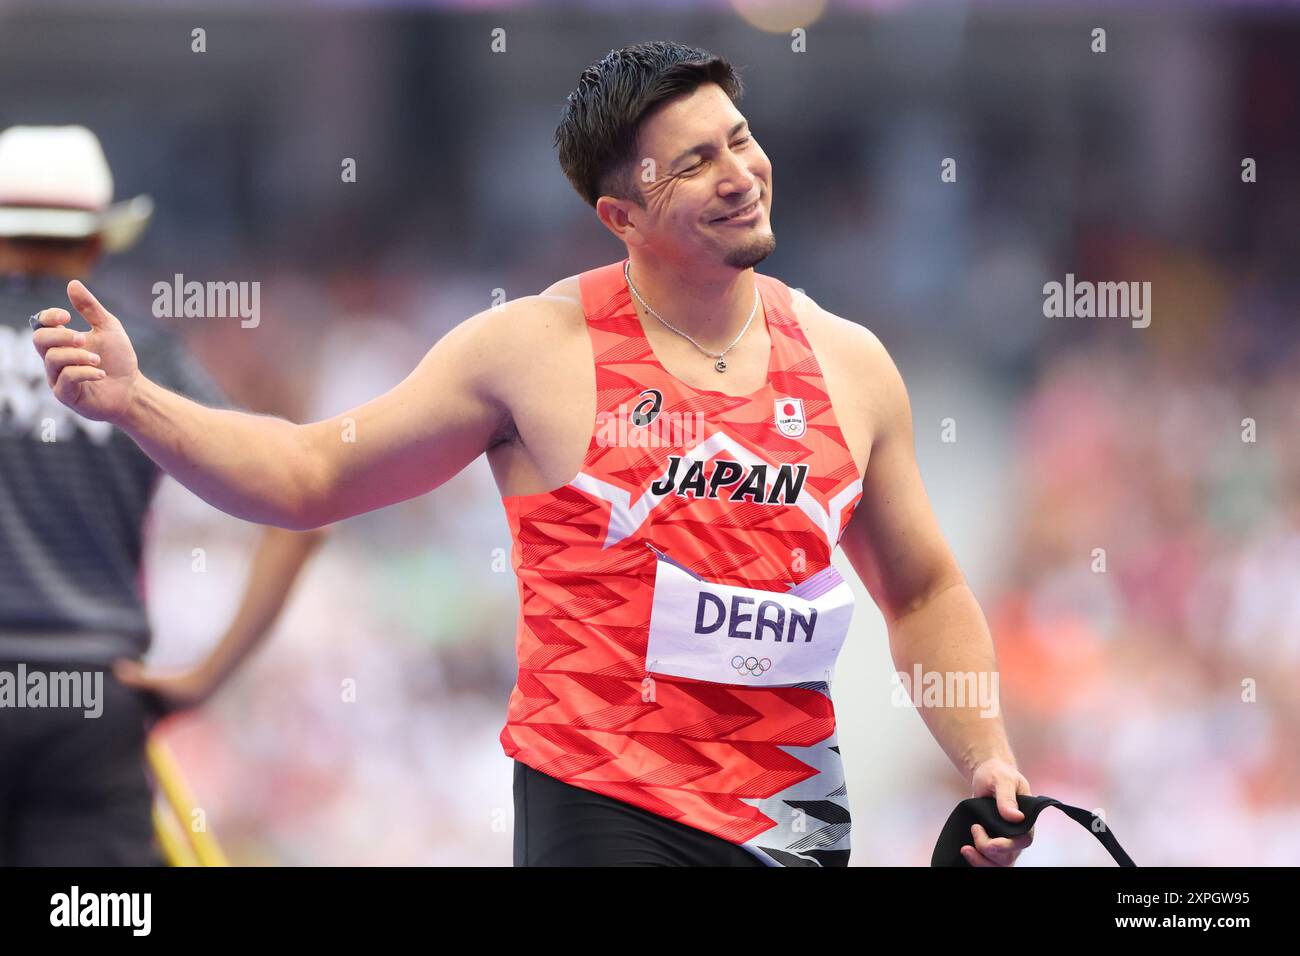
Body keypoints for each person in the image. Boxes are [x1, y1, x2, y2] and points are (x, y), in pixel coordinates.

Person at [30, 43, 1032, 867]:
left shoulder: (850, 364)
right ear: (620, 217)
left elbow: (923, 591)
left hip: (799, 820)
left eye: (738, 139)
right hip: (605, 804)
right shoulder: (530, 351)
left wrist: (982, 756)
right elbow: (309, 475)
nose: (738, 175)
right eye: (693, 164)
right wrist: (138, 401)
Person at [0, 124, 329, 866]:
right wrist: (206, 678)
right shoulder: (140, 358)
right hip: (91, 702)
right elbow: (301, 511)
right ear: (95, 245)